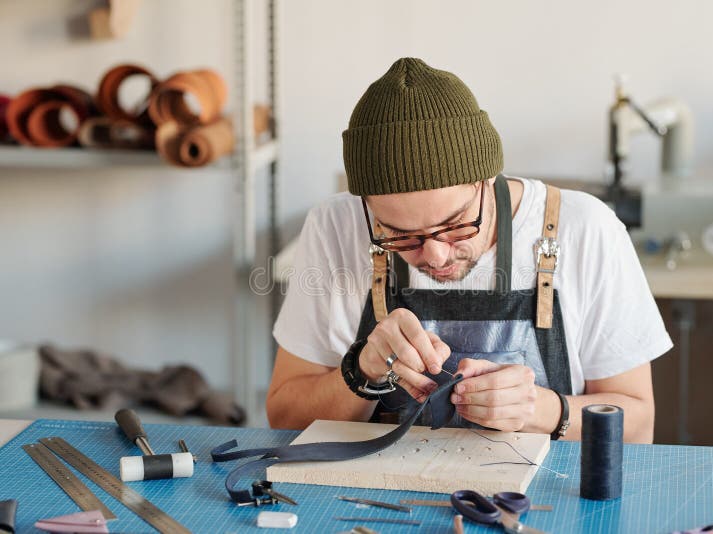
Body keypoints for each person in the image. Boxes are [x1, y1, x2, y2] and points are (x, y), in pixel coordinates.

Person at [267, 57, 672, 443]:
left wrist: (543, 410)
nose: (435, 257)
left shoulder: (584, 227)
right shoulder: (335, 226)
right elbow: (284, 418)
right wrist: (361, 373)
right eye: (399, 236)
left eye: (456, 225)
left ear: (486, 179)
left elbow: (638, 425)